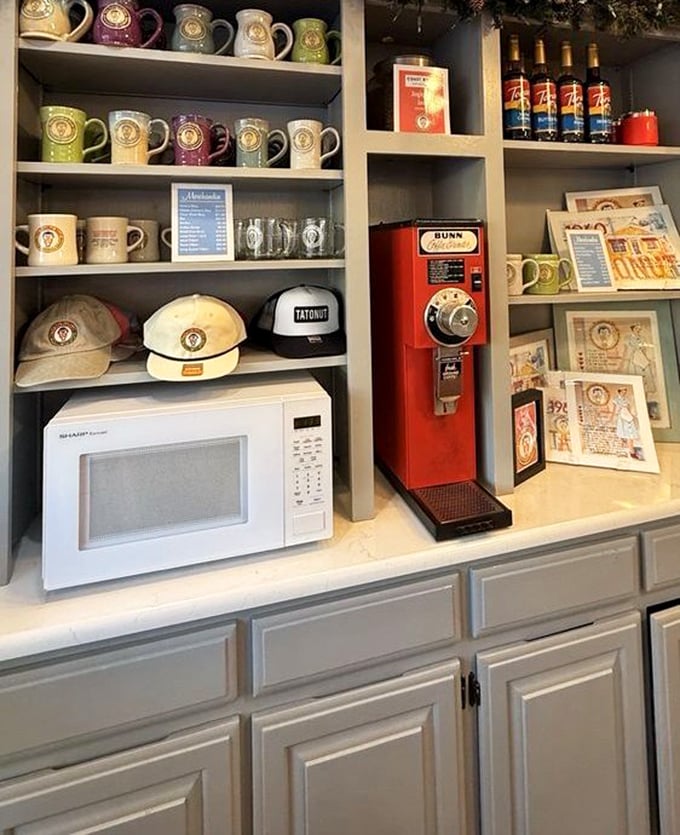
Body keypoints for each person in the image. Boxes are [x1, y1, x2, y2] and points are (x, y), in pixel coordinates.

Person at [622, 322, 657, 395]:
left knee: (646, 371)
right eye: (636, 328)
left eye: (639, 329)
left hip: (641, 356)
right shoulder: (628, 338)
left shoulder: (642, 338)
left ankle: (646, 391)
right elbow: (628, 349)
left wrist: (646, 357)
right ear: (632, 329)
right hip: (634, 357)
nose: (638, 330)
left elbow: (644, 348)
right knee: (636, 373)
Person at [612, 386, 642, 459]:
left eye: (625, 391)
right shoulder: (616, 400)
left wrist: (633, 415)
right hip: (622, 418)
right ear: (619, 392)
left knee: (630, 435)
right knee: (627, 434)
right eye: (622, 391)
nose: (624, 392)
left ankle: (631, 451)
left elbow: (629, 409)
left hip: (628, 417)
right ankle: (631, 451)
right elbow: (614, 410)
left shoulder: (626, 400)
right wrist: (613, 417)